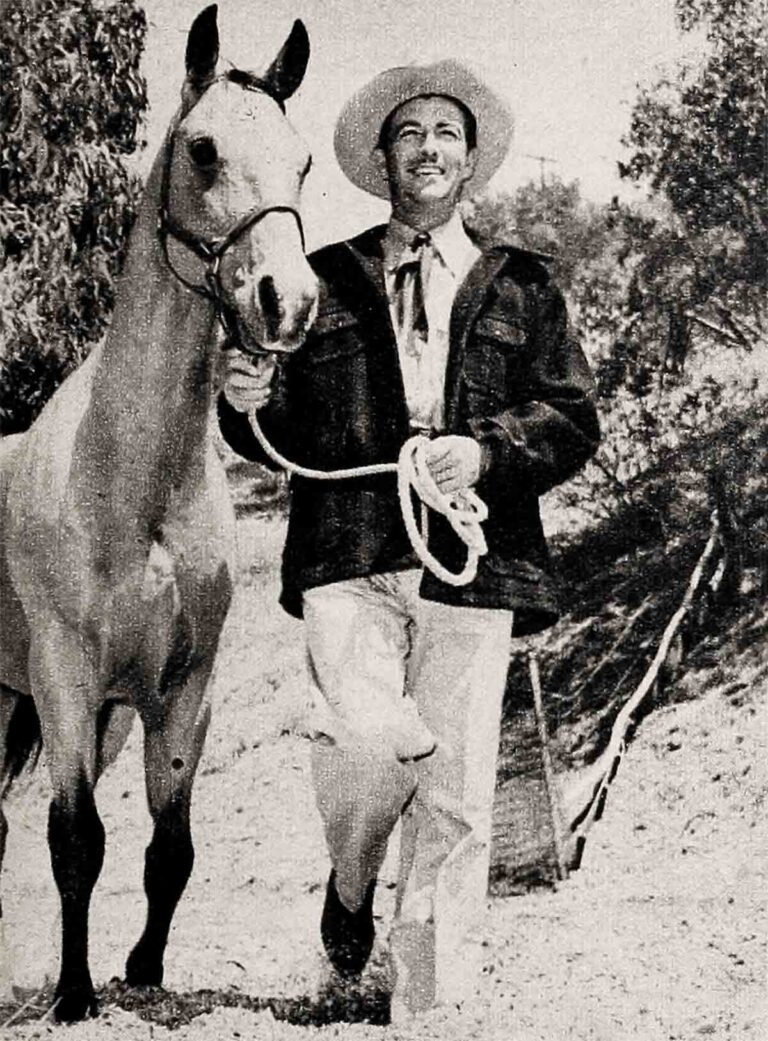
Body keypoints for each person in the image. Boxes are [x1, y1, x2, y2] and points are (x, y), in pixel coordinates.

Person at [218, 59, 600, 1019]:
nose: (428, 149)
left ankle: (428, 1009)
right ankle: (352, 879)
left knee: (461, 797)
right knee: (367, 736)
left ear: (469, 162)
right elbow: (277, 434)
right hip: (348, 553)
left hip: (476, 561)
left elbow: (572, 416)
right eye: (409, 133)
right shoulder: (324, 280)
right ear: (381, 158)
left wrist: (486, 450)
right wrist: (244, 399)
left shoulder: (523, 285)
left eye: (446, 135)